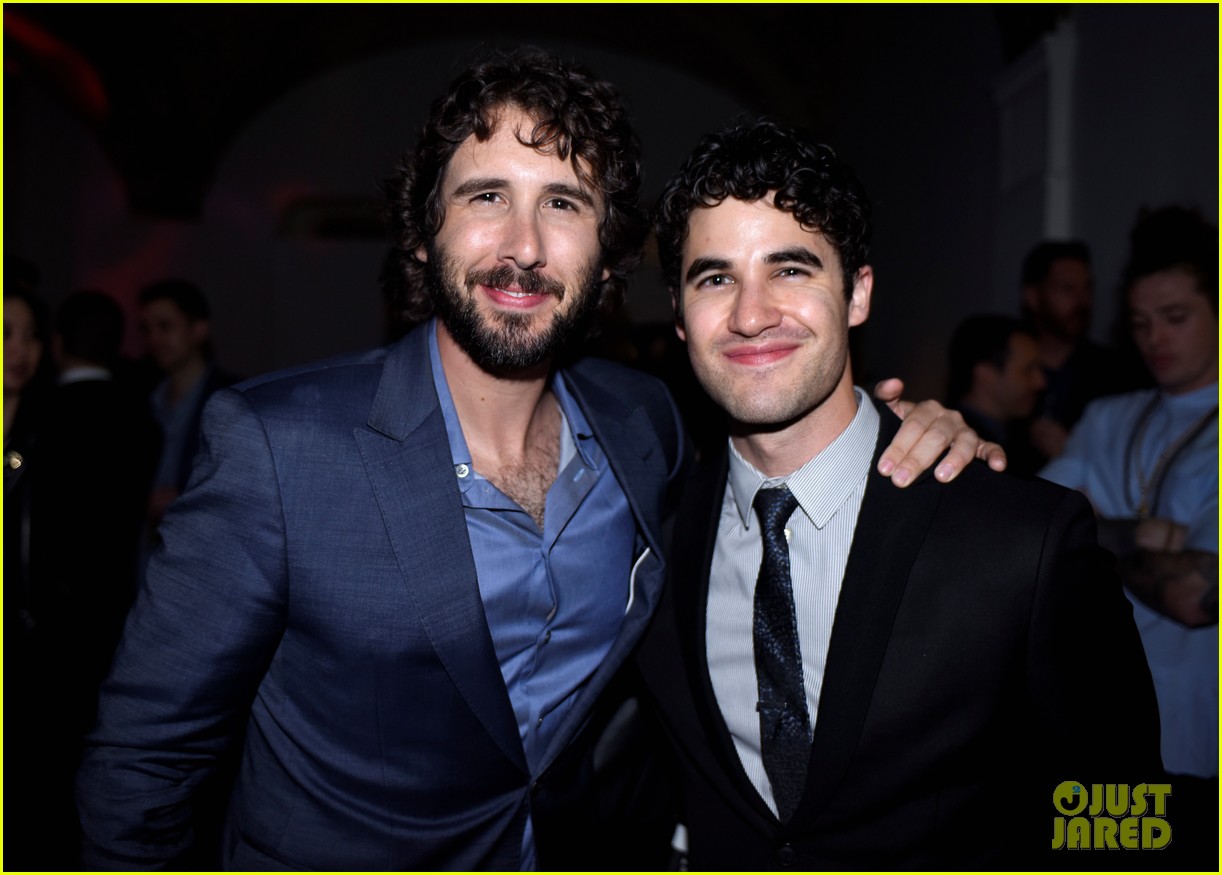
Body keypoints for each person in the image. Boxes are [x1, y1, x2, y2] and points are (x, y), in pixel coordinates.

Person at [75, 50, 997, 871]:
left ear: (605, 260)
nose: (523, 246)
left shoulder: (647, 426)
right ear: (425, 232)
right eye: (486, 198)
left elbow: (778, 463)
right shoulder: (277, 445)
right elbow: (143, 760)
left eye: (564, 204)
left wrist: (900, 428)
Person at [637, 119, 1161, 869]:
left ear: (857, 294)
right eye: (715, 277)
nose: (751, 314)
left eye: (791, 269)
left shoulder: (1022, 541)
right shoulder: (654, 533)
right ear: (682, 320)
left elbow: (1128, 814)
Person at [1041, 205, 1217, 869]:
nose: (1154, 339)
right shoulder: (1107, 414)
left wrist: (1091, 534)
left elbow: (1195, 594)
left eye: (1176, 318)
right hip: (1091, 741)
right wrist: (1140, 533)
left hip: (1197, 749)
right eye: (1141, 323)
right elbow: (1037, 534)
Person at [1019, 239, 1141, 463]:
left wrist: (1071, 451)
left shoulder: (1117, 372)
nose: (1082, 301)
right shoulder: (1006, 366)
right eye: (1067, 289)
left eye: (1088, 288)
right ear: (1033, 297)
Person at [136, 279, 238, 540]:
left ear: (199, 329)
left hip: (203, 547)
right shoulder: (141, 398)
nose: (154, 338)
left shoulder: (232, 398)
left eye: (165, 326)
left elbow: (242, 482)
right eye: (147, 329)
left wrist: (187, 496)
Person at [947, 314, 1046, 476]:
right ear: (986, 376)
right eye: (1028, 370)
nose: (1040, 381)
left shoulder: (1023, 438)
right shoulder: (957, 444)